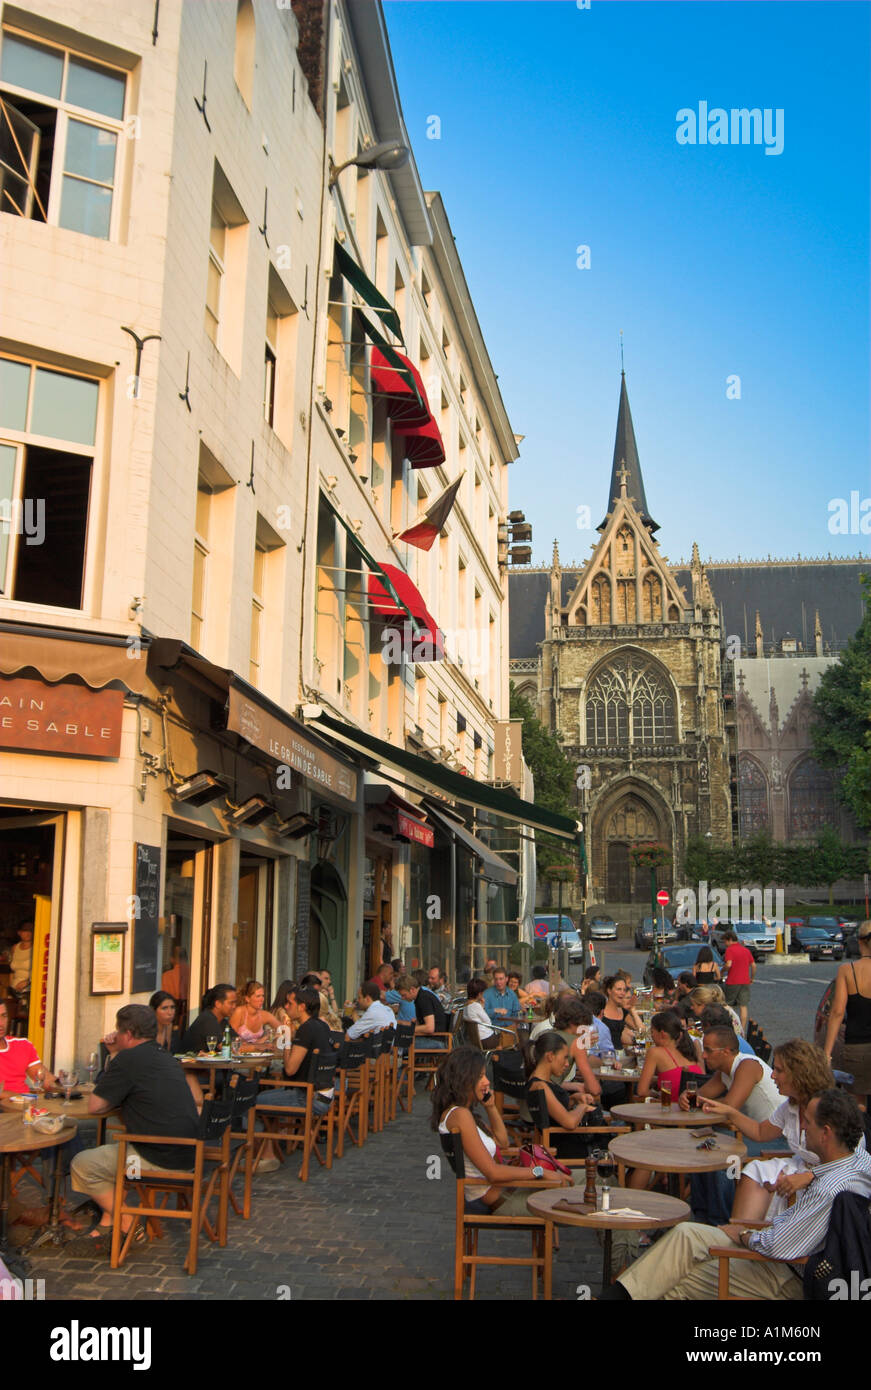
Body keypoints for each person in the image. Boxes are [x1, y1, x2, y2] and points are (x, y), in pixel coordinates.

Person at [601, 1090, 871, 1300]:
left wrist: (743, 1235)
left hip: (788, 1275)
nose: (802, 1129)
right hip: (779, 1251)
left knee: (679, 1283)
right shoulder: (859, 1162)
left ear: (826, 1134)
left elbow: (778, 1247)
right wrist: (811, 1174)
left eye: (808, 1124)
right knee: (687, 1233)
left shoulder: (828, 1190)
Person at [71, 1005, 200, 1251]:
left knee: (83, 1163)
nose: (115, 1035)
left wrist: (115, 1055)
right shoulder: (165, 1056)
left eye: (118, 1031)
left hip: (158, 1158)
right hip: (189, 1152)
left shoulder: (129, 1058)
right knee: (112, 1150)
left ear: (128, 1034)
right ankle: (108, 1222)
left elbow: (95, 1106)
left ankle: (128, 1222)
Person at [702, 1039, 836, 1220]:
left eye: (779, 1070)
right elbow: (760, 1131)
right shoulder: (791, 1105)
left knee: (727, 1159)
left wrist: (809, 1176)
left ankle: (740, 1230)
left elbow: (854, 1160)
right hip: (800, 1165)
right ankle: (738, 1231)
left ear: (799, 1074)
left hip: (829, 1177)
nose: (772, 1075)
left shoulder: (832, 1108)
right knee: (753, 1169)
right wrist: (730, 1113)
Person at [433, 1047, 568, 1215]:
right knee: (566, 1196)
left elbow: (502, 1142)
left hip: (501, 1192)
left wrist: (490, 1107)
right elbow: (493, 1173)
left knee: (567, 1188)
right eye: (481, 1076)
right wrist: (539, 1172)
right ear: (464, 1079)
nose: (487, 1082)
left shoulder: (462, 1113)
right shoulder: (460, 1115)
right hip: (496, 1199)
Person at [256, 986, 335, 1169]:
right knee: (271, 1100)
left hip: (308, 1097)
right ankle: (270, 1151)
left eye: (290, 1003)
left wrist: (288, 1039)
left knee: (253, 1102)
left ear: (302, 1006)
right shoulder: (321, 1025)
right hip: (326, 1094)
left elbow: (290, 1069)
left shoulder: (306, 1030)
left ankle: (265, 1155)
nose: (286, 1006)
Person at [679, 1026, 780, 1121]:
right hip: (756, 1130)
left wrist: (699, 1102)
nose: (703, 1055)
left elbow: (730, 1105)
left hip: (779, 1135)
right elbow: (700, 1095)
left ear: (726, 1052)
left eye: (708, 1050)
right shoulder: (723, 1072)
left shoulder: (748, 1065)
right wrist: (685, 1098)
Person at [525, 1031, 598, 1158]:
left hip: (570, 1146)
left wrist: (574, 1099)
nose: (567, 1063)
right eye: (564, 1057)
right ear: (550, 1056)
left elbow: (553, 1109)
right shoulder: (541, 1086)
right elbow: (569, 1122)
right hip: (570, 1155)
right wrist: (582, 1107)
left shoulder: (538, 1082)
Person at [824, 920, 871, 1104]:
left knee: (857, 1103)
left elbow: (836, 1012)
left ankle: (862, 1133)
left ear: (859, 942)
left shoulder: (847, 970)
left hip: (856, 1047)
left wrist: (827, 1053)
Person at [635, 1010, 704, 1102]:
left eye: (652, 1032)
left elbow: (642, 1091)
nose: (651, 1036)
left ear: (662, 1034)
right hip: (695, 1106)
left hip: (672, 1108)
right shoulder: (690, 1049)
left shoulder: (655, 1052)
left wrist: (657, 1094)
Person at [0, 998, 57, 1093]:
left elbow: (44, 1079)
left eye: (4, 1016)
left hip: (25, 1105)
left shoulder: (22, 1045)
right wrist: (22, 1097)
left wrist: (66, 1084)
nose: (1, 1023)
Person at [180, 984, 239, 1053]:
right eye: (231, 1003)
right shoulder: (208, 1019)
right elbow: (225, 1048)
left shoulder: (223, 1021)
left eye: (235, 1003)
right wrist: (254, 1047)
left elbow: (237, 1041)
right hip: (191, 1062)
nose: (234, 1006)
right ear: (218, 1004)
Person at [396, 973, 450, 1048]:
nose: (402, 998)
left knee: (395, 1044)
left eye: (404, 995)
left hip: (435, 1041)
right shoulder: (421, 996)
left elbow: (429, 1028)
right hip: (432, 1038)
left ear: (412, 990)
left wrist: (407, 1030)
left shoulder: (423, 999)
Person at [721, 929, 756, 1033]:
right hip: (745, 981)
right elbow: (753, 965)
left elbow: (728, 964)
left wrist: (722, 971)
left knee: (728, 1005)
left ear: (730, 940)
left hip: (733, 980)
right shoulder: (746, 950)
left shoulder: (730, 950)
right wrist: (752, 978)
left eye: (725, 942)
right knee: (743, 1005)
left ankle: (730, 1026)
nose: (725, 944)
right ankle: (742, 1029)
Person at [229, 980, 280, 1046]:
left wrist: (271, 1037)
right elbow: (231, 1039)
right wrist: (258, 1043)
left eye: (263, 996)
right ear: (247, 999)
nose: (262, 999)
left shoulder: (264, 1015)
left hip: (257, 1054)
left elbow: (284, 1029)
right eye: (258, 996)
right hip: (239, 1053)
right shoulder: (240, 1012)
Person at [600, 974, 640, 1049]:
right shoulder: (600, 1011)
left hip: (621, 1054)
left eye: (624, 990)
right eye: (619, 989)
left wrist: (632, 1010)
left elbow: (641, 1031)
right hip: (605, 1055)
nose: (622, 993)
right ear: (609, 991)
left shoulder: (623, 1012)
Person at [463, 978, 497, 1043]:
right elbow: (489, 1023)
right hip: (486, 1039)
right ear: (479, 994)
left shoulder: (466, 1006)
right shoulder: (476, 1006)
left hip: (476, 1040)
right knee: (510, 1036)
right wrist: (483, 1007)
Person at [8, 921, 33, 993]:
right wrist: (10, 989)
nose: (28, 933)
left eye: (30, 931)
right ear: (19, 933)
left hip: (28, 988)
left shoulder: (36, 948)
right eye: (25, 930)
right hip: (14, 988)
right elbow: (12, 971)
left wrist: (28, 982)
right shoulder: (15, 948)